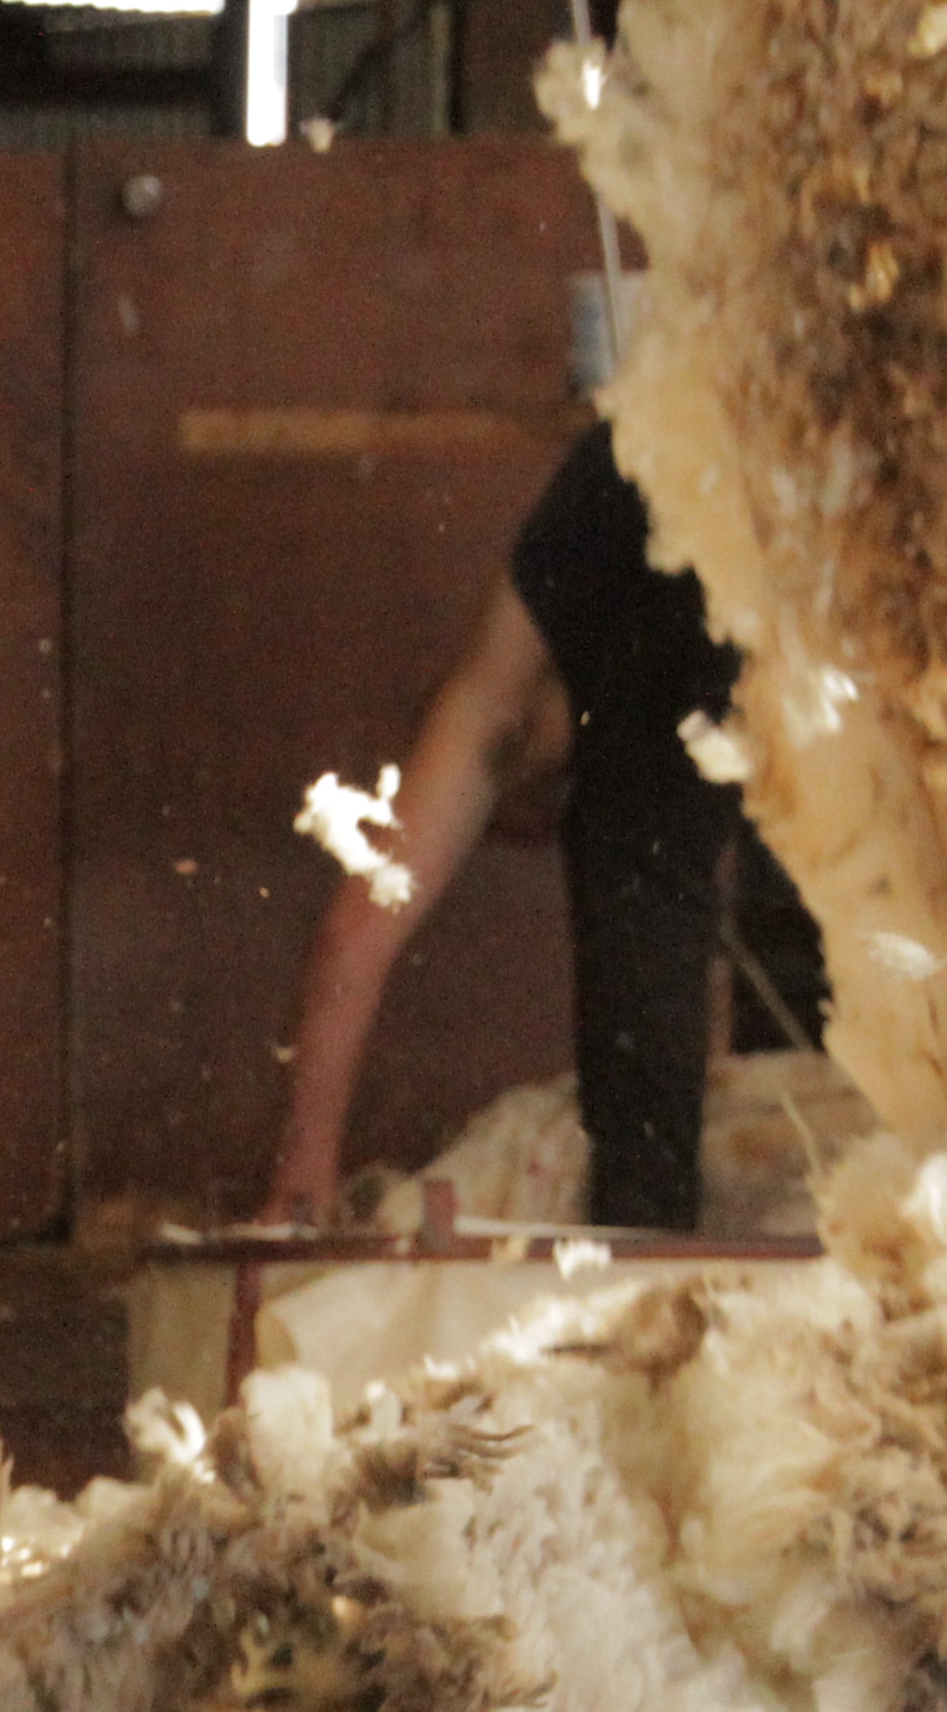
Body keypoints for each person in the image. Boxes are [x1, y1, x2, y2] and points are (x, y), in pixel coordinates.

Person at [257, 418, 825, 1234]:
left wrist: (301, 1178)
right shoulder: (578, 616)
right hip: (737, 502)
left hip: (740, 498)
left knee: (641, 851)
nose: (529, 827)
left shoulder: (513, 697)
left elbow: (358, 931)